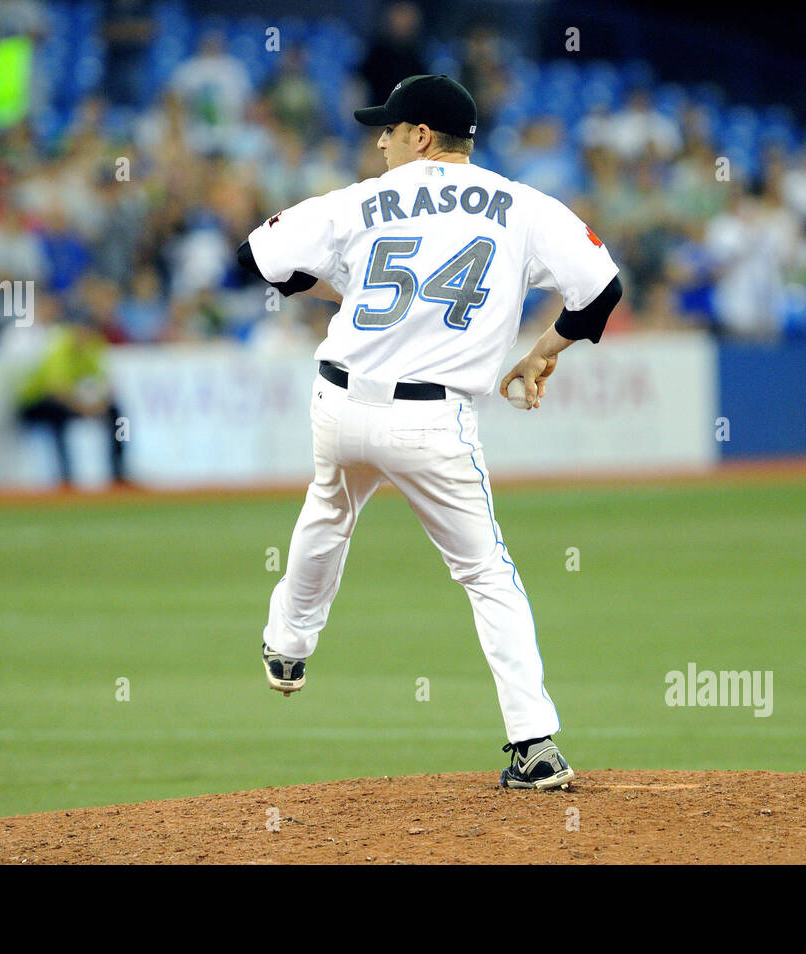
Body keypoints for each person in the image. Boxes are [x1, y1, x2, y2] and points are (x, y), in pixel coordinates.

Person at [237, 75, 622, 790]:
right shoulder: (524, 206)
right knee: (486, 576)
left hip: (340, 405)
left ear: (421, 137)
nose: (378, 139)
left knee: (330, 508)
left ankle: (287, 646)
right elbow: (601, 291)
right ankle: (535, 746)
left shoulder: (358, 201)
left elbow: (258, 260)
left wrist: (355, 282)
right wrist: (543, 352)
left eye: (389, 127)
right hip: (431, 420)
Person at [15, 312, 127, 487]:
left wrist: (100, 405)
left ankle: (118, 472)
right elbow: (57, 390)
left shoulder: (92, 346)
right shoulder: (59, 346)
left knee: (116, 414)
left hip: (71, 403)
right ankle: (66, 476)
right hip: (34, 402)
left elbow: (106, 383)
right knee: (58, 415)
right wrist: (85, 409)